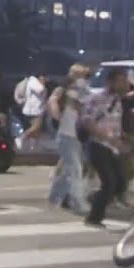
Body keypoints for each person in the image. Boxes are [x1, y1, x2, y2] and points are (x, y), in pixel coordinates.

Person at [79, 68, 132, 229]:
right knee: (109, 182)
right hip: (98, 145)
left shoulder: (118, 100)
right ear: (111, 82)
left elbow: (114, 123)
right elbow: (88, 122)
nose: (125, 84)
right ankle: (94, 217)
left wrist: (122, 138)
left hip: (111, 147)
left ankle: (95, 199)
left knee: (120, 182)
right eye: (121, 81)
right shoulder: (97, 98)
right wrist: (110, 139)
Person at [47, 63, 91, 213]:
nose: (83, 78)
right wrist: (57, 115)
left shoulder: (83, 92)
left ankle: (55, 196)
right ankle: (77, 202)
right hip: (67, 135)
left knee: (70, 169)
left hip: (76, 135)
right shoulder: (65, 91)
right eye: (80, 75)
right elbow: (53, 101)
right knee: (75, 169)